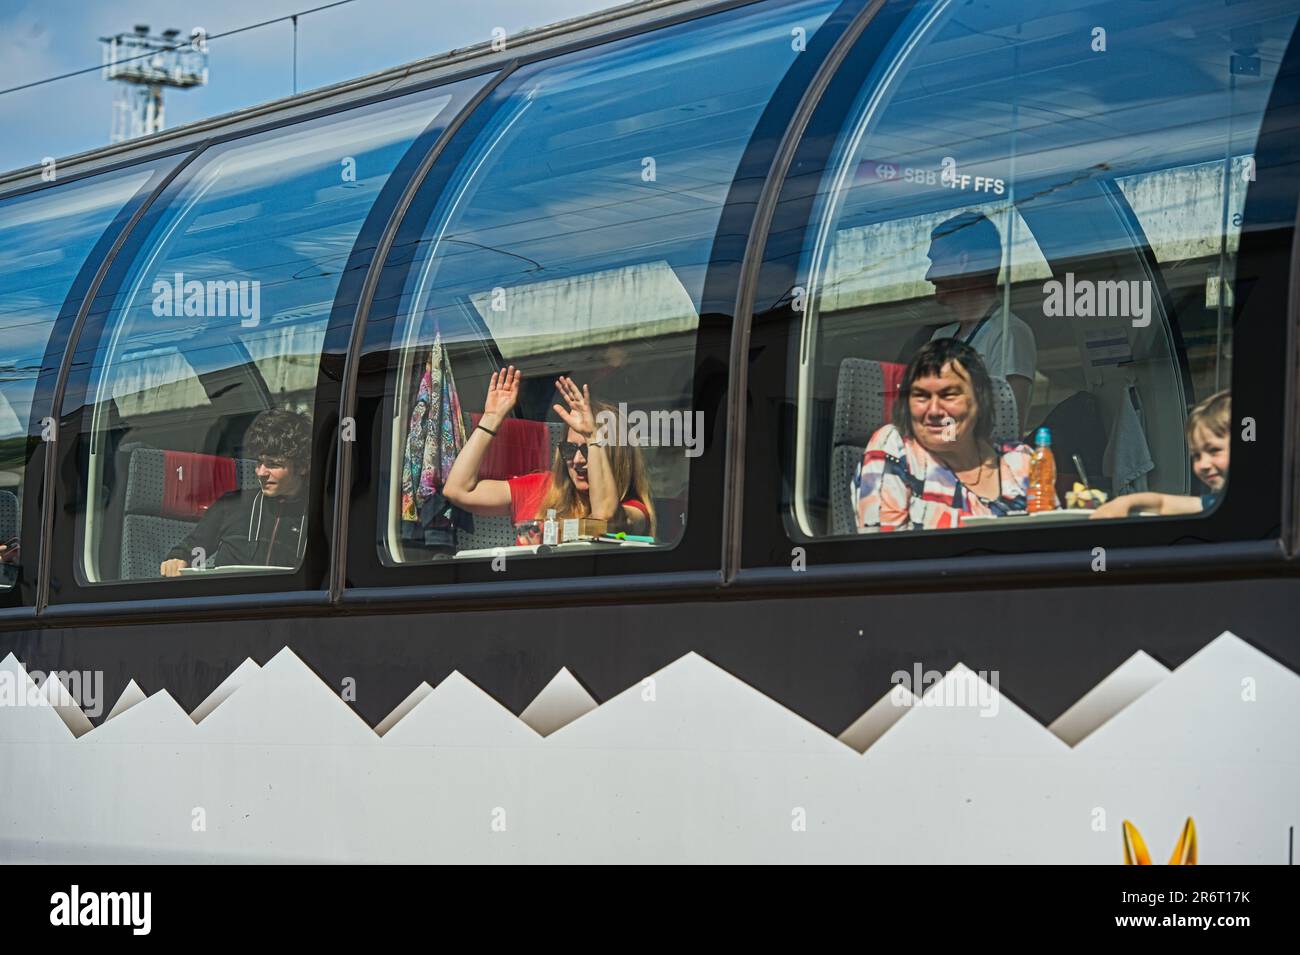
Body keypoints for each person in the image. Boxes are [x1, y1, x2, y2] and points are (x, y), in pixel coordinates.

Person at [852, 338, 1051, 532]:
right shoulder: (894, 448)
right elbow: (884, 553)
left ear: (979, 400)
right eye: (921, 396)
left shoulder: (1021, 460)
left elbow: (1052, 538)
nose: (935, 411)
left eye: (949, 395)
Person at [443, 366, 655, 543]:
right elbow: (457, 490)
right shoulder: (541, 489)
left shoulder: (634, 510)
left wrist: (593, 436)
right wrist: (490, 418)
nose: (578, 460)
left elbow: (605, 518)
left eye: (588, 450)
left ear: (615, 455)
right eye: (570, 450)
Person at [159, 409, 311, 576]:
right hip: (228, 599)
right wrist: (178, 559)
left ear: (302, 466)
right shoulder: (232, 504)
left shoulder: (322, 513)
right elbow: (192, 547)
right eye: (258, 462)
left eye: (273, 465)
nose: (261, 472)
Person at [924, 211, 1036, 428]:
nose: (928, 275)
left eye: (935, 261)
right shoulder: (940, 337)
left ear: (963, 262)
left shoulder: (1008, 332)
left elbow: (1005, 426)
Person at [1091, 390, 1229, 519]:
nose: (1202, 465)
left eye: (1214, 450)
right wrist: (1124, 502)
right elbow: (1162, 503)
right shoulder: (1214, 502)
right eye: (1196, 456)